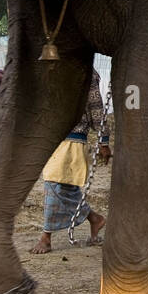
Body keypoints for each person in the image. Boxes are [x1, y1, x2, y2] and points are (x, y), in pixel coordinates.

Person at [32, 69, 110, 253]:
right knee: (65, 187)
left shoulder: (87, 73)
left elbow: (96, 107)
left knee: (53, 183)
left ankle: (46, 237)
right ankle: (94, 218)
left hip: (73, 139)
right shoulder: (50, 69)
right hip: (54, 138)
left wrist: (104, 140)